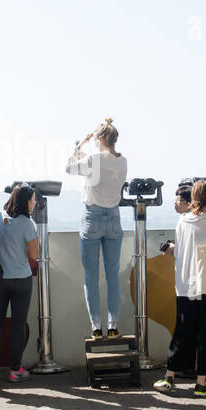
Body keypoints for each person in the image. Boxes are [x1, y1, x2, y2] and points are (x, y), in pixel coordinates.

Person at [154, 180, 206, 397]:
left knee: (183, 332)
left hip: (185, 285)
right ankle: (201, 383)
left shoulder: (183, 221)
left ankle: (169, 376)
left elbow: (179, 251)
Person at [66, 118, 128, 338]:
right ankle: (112, 327)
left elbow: (70, 168)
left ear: (100, 139)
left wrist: (78, 147)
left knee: (91, 277)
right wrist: (88, 157)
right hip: (113, 218)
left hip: (92, 218)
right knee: (112, 275)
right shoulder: (123, 161)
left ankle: (96, 327)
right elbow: (103, 171)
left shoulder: (92, 158)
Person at [0, 183, 40, 384]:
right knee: (18, 325)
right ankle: (14, 370)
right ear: (26, 202)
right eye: (33, 199)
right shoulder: (27, 224)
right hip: (21, 279)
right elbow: (34, 255)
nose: (35, 202)